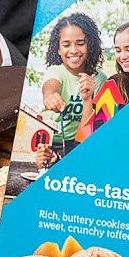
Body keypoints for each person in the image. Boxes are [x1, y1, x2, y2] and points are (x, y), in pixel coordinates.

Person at [39, 13, 104, 156]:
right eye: (66, 45)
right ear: (58, 49)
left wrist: (88, 98)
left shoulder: (100, 79)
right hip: (48, 142)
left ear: (90, 45)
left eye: (80, 43)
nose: (74, 50)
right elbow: (50, 87)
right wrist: (50, 97)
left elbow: (87, 131)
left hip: (78, 143)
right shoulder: (56, 72)